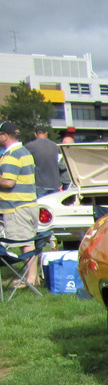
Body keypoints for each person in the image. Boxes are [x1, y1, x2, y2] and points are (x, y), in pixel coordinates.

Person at [0, 120, 40, 287]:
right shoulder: (24, 151)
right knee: (28, 241)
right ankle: (34, 277)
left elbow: (8, 182)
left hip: (17, 206)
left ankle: (31, 279)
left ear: (4, 136)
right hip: (27, 204)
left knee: (24, 242)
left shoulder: (12, 155)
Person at [25, 127, 62, 197]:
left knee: (41, 206)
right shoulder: (55, 145)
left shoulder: (30, 146)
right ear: (46, 133)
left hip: (40, 184)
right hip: (55, 184)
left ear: (35, 134)